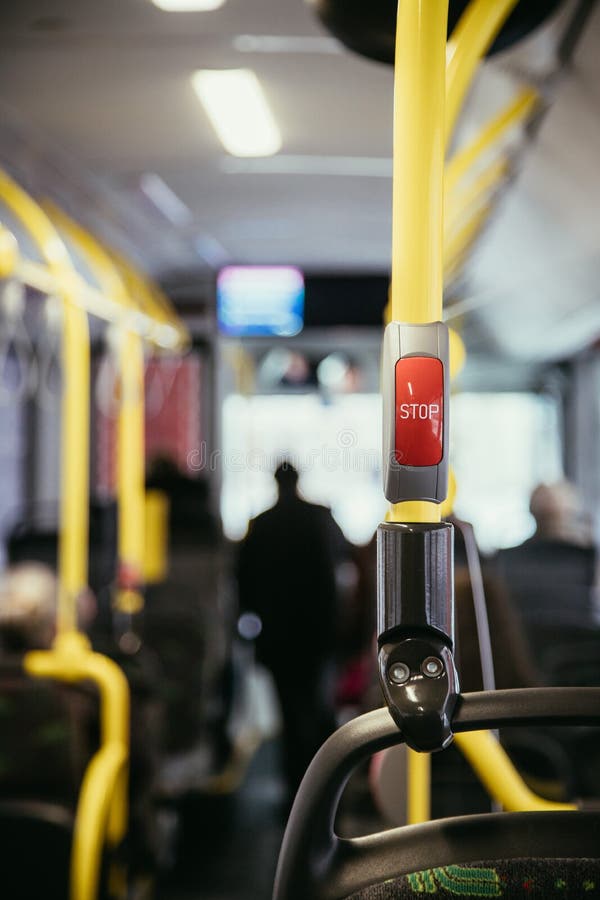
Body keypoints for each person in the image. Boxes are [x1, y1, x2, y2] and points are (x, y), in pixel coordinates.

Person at [237, 462, 347, 795]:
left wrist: (250, 629)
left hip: (278, 637)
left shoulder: (261, 525)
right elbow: (335, 576)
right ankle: (321, 788)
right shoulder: (320, 518)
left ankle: (295, 789)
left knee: (289, 712)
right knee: (317, 709)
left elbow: (245, 584)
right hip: (316, 634)